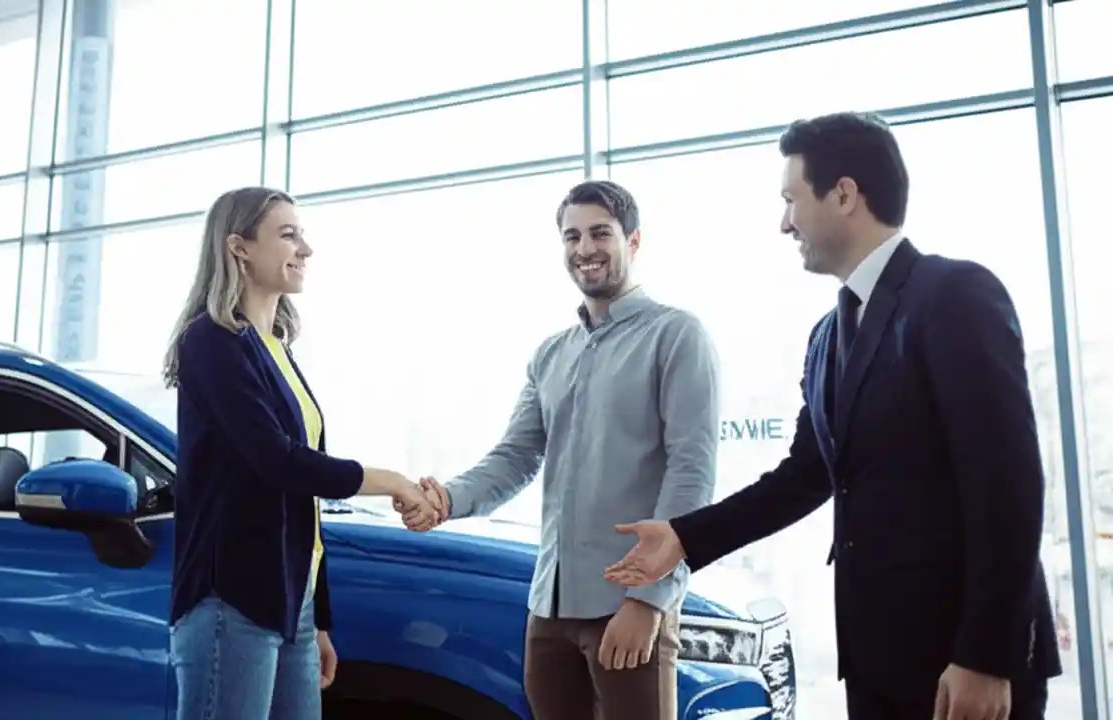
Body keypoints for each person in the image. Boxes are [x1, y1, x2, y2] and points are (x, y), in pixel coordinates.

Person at [604, 112, 1062, 720]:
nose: (784, 222)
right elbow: (804, 477)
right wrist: (687, 537)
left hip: (962, 662)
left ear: (844, 194)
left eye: (792, 199)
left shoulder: (954, 294)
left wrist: (987, 655)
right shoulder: (827, 336)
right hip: (877, 658)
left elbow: (1008, 483)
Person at [399, 180, 720, 720]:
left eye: (600, 233)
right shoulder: (551, 353)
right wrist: (446, 500)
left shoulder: (676, 335)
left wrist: (649, 601)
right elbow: (515, 457)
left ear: (633, 241)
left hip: (627, 606)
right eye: (572, 236)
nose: (584, 249)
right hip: (547, 611)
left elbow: (692, 474)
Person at [162, 186, 439, 720]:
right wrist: (392, 481)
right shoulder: (212, 343)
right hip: (233, 603)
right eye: (288, 235)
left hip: (293, 605)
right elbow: (279, 461)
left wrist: (318, 619)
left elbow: (301, 503)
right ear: (239, 248)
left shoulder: (276, 350)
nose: (305, 249)